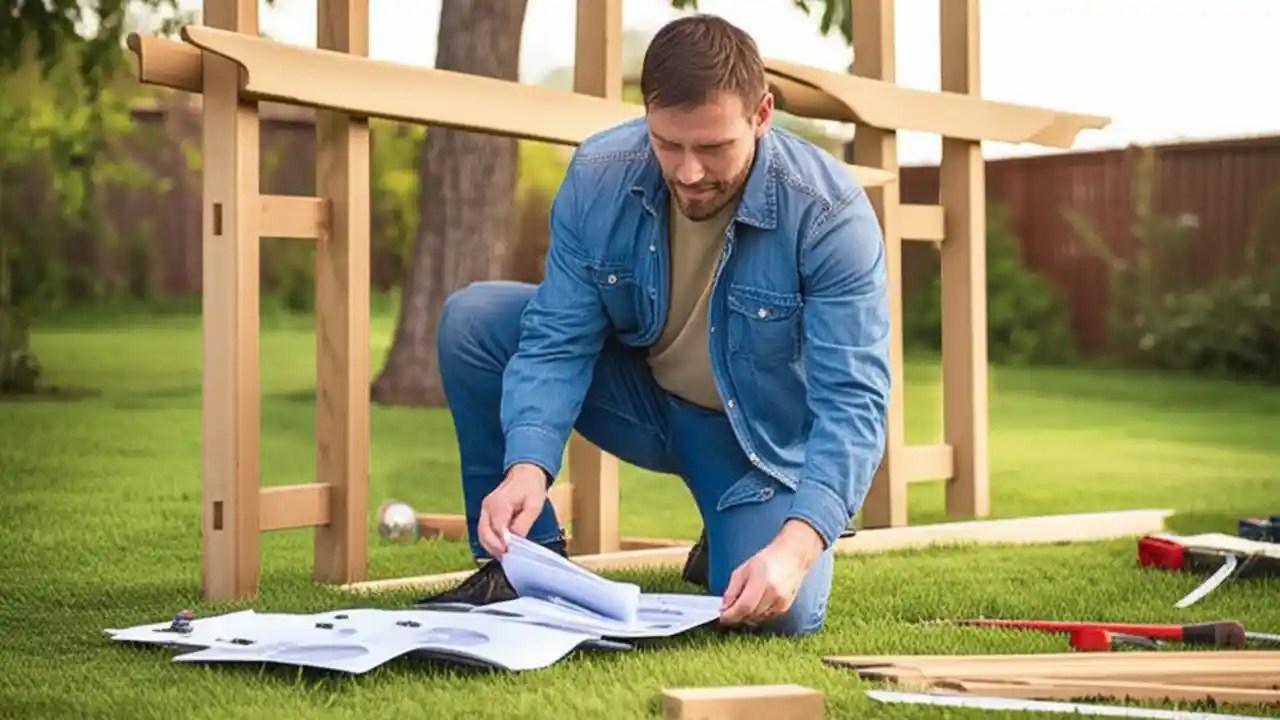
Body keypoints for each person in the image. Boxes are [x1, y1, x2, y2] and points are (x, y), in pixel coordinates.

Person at [416, 13, 891, 637]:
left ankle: (731, 527)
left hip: (755, 445)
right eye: (669, 143)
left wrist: (797, 545)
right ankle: (524, 567)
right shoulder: (599, 174)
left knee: (781, 613)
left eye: (713, 147)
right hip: (641, 399)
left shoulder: (830, 214)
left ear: (762, 114)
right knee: (475, 321)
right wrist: (526, 467)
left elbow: (854, 403)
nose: (689, 172)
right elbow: (559, 339)